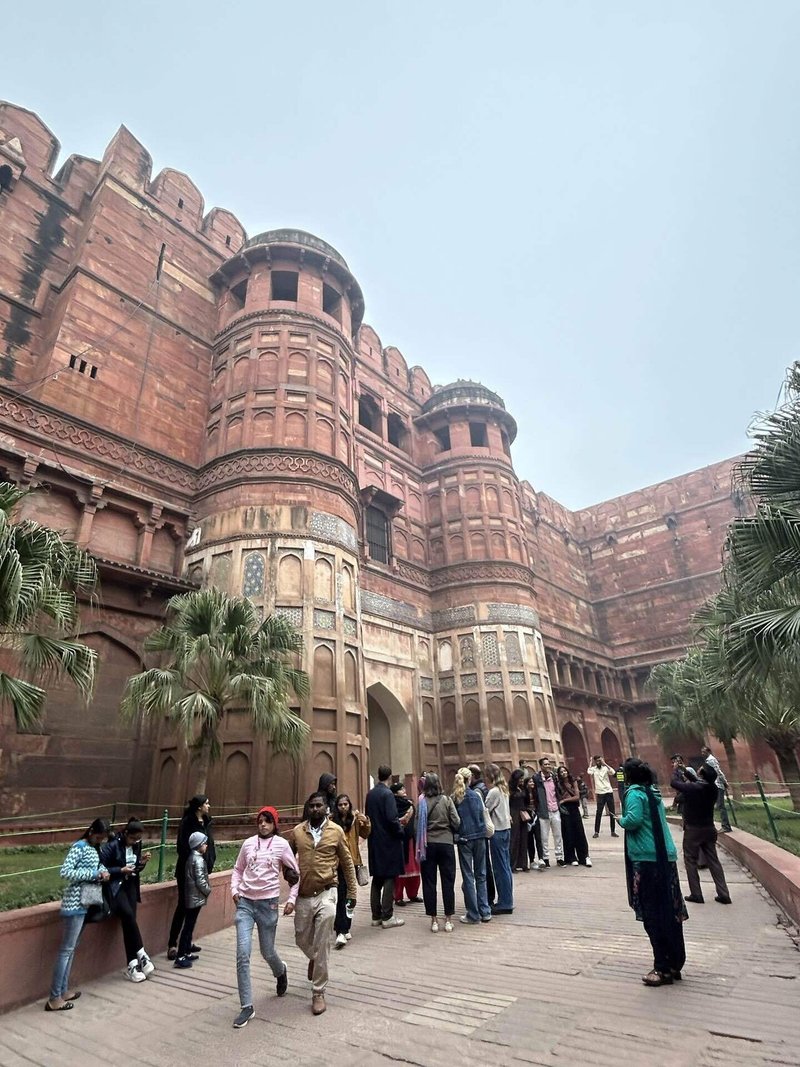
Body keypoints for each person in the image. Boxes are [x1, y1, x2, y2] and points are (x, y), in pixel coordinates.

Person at [617, 758, 687, 987]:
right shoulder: (653, 792)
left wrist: (621, 820)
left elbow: (634, 821)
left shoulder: (635, 794)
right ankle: (675, 962)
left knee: (653, 913)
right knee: (669, 910)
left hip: (647, 859)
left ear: (628, 776)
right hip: (664, 856)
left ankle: (662, 967)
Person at [288, 792, 357, 1016]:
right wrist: (287, 873)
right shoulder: (298, 832)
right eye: (312, 806)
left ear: (327, 808)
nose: (315, 809)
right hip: (304, 894)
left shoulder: (335, 831)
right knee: (301, 937)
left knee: (325, 933)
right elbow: (287, 858)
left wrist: (352, 893)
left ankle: (318, 991)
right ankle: (315, 959)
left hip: (328, 891)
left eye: (319, 806)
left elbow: (347, 862)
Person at [230, 805, 297, 1028]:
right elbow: (238, 869)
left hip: (268, 905)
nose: (263, 825)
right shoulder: (248, 844)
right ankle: (246, 1006)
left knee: (267, 951)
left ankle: (281, 971)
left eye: (267, 821)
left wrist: (292, 900)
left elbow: (295, 873)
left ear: (274, 824)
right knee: (242, 954)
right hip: (246, 904)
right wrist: (235, 891)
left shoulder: (281, 845)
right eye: (260, 821)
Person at [46, 817, 110, 1011]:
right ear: (91, 832)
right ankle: (54, 997)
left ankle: (63, 991)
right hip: (74, 904)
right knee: (66, 950)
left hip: (85, 903)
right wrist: (93, 874)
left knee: (71, 949)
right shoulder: (79, 847)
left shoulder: (92, 848)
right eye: (98, 837)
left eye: (102, 839)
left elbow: (95, 867)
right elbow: (65, 872)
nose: (100, 841)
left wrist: (103, 871)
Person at [99, 818, 155, 983]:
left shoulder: (136, 845)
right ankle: (141, 953)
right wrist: (119, 870)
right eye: (132, 838)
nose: (134, 842)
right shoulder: (112, 846)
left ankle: (133, 964)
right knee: (129, 916)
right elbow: (100, 868)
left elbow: (134, 867)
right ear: (125, 833)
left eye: (137, 839)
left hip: (130, 886)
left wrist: (141, 863)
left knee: (129, 922)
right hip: (116, 887)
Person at [671, 763, 732, 905]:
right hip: (709, 828)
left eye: (700, 769)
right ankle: (724, 893)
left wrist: (675, 770)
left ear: (703, 774)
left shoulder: (693, 788)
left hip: (693, 829)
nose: (698, 769)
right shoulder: (713, 788)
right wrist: (684, 770)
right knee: (713, 860)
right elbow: (697, 781)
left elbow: (674, 783)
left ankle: (696, 893)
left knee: (690, 860)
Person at [167, 794, 216, 961]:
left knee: (195, 906)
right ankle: (173, 944)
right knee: (183, 905)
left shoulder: (206, 821)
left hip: (202, 869)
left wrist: (209, 862)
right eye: (207, 803)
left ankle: (186, 942)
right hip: (188, 870)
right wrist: (195, 864)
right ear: (199, 806)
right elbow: (183, 846)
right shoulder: (188, 822)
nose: (209, 806)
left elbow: (211, 843)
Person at [365, 765, 411, 929]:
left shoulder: (370, 794)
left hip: (374, 840)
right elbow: (392, 819)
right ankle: (387, 916)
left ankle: (376, 915)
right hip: (388, 842)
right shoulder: (387, 794)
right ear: (390, 777)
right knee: (390, 876)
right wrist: (400, 832)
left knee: (377, 878)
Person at [416, 772, 460, 931]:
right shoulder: (447, 800)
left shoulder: (421, 802)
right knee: (448, 882)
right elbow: (457, 821)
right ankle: (448, 920)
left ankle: (434, 920)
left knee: (429, 883)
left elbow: (416, 827)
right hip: (446, 844)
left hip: (428, 845)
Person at [331, 793, 371, 948]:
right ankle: (340, 929)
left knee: (350, 895)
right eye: (340, 805)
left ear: (349, 805)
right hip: (337, 863)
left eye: (345, 804)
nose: (343, 807)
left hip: (352, 862)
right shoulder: (332, 821)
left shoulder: (354, 820)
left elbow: (365, 834)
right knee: (339, 894)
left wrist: (365, 822)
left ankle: (346, 926)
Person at [452, 768, 491, 924]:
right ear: (470, 779)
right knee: (481, 875)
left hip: (465, 839)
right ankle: (485, 911)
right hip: (480, 837)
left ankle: (473, 914)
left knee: (468, 876)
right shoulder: (477, 795)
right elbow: (483, 814)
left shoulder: (455, 798)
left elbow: (454, 821)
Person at [174, 831, 211, 969]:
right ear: (199, 845)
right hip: (195, 897)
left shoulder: (191, 858)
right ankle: (181, 955)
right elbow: (201, 881)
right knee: (188, 926)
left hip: (192, 896)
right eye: (204, 843)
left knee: (190, 924)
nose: (206, 845)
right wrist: (208, 890)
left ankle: (187, 952)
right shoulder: (198, 860)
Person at [485, 763, 514, 915]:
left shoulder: (494, 792)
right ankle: (507, 899)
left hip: (497, 831)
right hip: (506, 829)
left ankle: (504, 903)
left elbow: (485, 810)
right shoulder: (504, 789)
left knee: (500, 868)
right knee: (506, 867)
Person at [391, 782, 421, 907]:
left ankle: (413, 894)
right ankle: (398, 896)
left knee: (414, 868)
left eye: (403, 787)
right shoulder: (392, 805)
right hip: (398, 841)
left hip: (410, 841)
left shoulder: (409, 805)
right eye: (400, 789)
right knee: (401, 870)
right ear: (395, 792)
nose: (403, 790)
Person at [469, 764, 495, 901]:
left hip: (478, 833)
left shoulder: (476, 791)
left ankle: (487, 898)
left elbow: (477, 813)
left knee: (482, 867)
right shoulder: (482, 787)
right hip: (482, 832)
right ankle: (488, 897)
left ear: (472, 776)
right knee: (485, 865)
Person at [557, 766, 592, 867]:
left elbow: (577, 797)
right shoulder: (559, 784)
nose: (563, 773)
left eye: (564, 771)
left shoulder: (573, 782)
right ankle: (571, 857)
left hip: (573, 809)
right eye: (561, 772)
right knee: (568, 833)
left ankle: (584, 856)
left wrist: (564, 800)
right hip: (565, 810)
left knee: (579, 832)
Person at [534, 757, 564, 866]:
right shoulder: (537, 779)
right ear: (541, 766)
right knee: (544, 837)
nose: (548, 766)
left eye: (548, 764)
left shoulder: (554, 778)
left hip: (555, 809)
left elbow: (558, 792)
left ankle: (559, 857)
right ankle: (545, 858)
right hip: (543, 811)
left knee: (558, 835)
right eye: (545, 764)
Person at [700, 744, 732, 832]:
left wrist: (725, 782)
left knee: (721, 805)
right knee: (717, 805)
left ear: (709, 752)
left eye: (704, 752)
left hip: (717, 785)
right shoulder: (708, 761)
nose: (703, 753)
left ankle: (726, 826)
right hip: (714, 785)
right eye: (702, 752)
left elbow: (718, 772)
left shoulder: (711, 760)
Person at [588, 756, 619, 839]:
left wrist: (605, 763)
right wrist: (590, 762)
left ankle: (613, 831)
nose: (599, 762)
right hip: (600, 793)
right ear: (595, 762)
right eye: (597, 761)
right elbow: (589, 772)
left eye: (600, 760)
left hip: (608, 792)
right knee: (599, 813)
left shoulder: (605, 768)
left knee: (612, 812)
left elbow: (613, 772)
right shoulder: (593, 769)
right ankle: (596, 832)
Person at [508, 768, 531, 872]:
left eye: (522, 778)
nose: (521, 780)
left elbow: (527, 801)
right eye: (520, 778)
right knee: (514, 840)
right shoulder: (511, 790)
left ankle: (523, 864)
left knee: (524, 839)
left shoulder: (523, 788)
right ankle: (513, 865)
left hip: (523, 814)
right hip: (514, 814)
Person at [524, 775, 546, 870]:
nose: (532, 783)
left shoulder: (535, 793)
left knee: (538, 838)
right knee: (530, 841)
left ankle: (541, 858)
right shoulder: (524, 794)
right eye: (530, 782)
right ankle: (532, 860)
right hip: (528, 819)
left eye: (533, 782)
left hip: (535, 817)